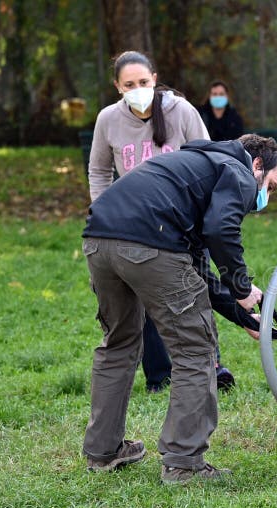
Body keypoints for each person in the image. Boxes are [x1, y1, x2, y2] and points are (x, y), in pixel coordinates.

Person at [82, 134, 277, 484]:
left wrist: (243, 316)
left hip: (99, 241)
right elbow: (221, 230)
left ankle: (103, 452)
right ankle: (183, 464)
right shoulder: (237, 171)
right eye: (270, 186)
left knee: (119, 343)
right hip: (149, 243)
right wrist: (241, 286)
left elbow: (198, 268)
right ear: (257, 164)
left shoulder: (197, 169)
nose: (265, 196)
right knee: (195, 348)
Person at [87, 51, 236, 393]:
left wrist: (203, 215)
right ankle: (159, 375)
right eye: (129, 84)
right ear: (117, 86)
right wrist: (103, 210)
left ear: (154, 79)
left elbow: (209, 157)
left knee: (197, 290)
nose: (137, 89)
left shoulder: (180, 111)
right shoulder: (108, 119)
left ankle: (212, 366)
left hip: (183, 220)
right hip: (134, 224)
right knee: (143, 299)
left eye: (143, 81)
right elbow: (99, 170)